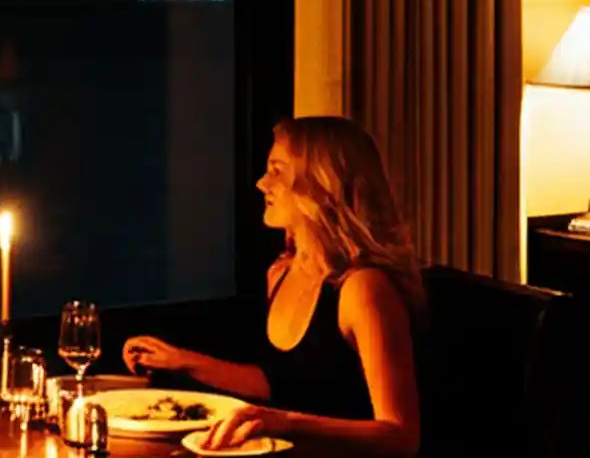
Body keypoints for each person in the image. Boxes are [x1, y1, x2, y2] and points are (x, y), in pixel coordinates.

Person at [121, 117, 425, 457]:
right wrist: (180, 361)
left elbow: (401, 436)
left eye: (277, 171)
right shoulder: (282, 272)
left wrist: (284, 423)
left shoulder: (364, 289)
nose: (262, 183)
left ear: (321, 185)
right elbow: (277, 382)